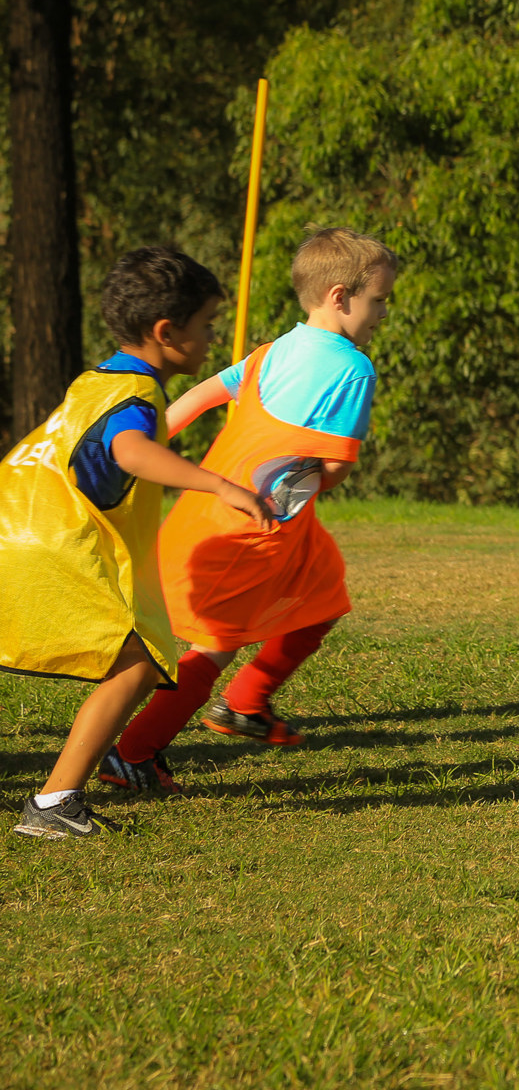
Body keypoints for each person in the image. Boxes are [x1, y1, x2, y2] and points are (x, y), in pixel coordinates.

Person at [99, 228, 394, 794]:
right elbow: (335, 468)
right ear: (339, 296)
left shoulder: (272, 350)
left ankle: (246, 702)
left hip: (218, 508)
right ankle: (132, 754)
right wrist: (312, 473)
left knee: (324, 593)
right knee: (215, 643)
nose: (383, 313)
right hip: (257, 529)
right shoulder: (354, 369)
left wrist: (140, 448)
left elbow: (196, 399)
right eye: (378, 300)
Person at [3, 248, 274, 838]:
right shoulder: (138, 395)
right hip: (47, 541)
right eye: (206, 325)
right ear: (166, 332)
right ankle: (53, 805)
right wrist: (220, 485)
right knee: (139, 661)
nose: (212, 339)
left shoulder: (98, 377)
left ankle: (55, 801)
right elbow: (129, 452)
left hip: (16, 527)